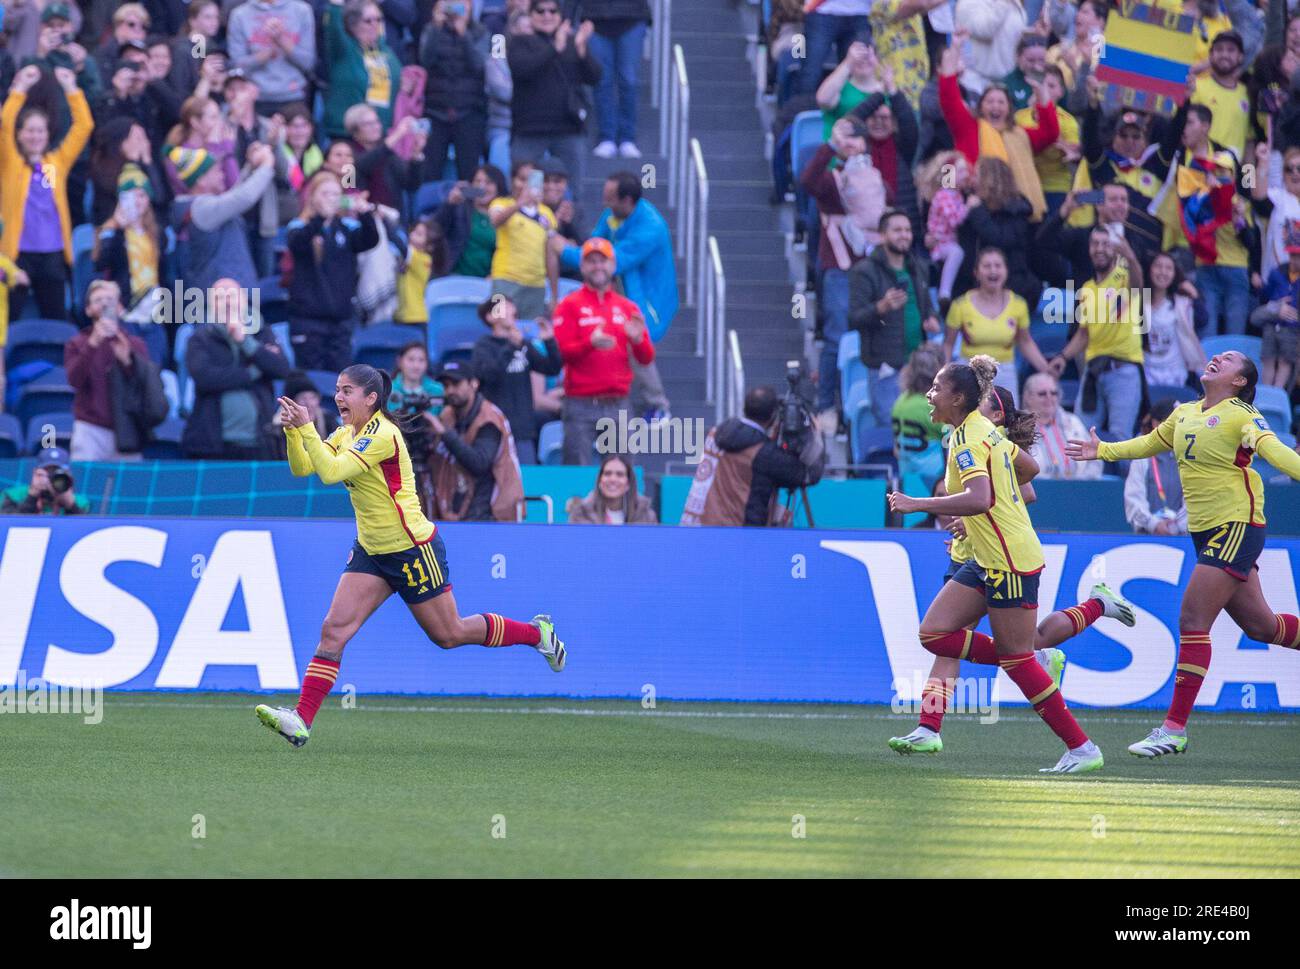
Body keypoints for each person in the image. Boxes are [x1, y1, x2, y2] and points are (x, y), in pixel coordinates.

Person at [257, 363, 566, 748]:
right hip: (372, 552)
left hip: (412, 550)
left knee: (449, 634)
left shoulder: (382, 435)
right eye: (337, 389)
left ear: (371, 399)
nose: (338, 397)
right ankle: (301, 719)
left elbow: (332, 472)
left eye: (347, 390)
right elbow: (304, 467)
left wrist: (306, 428)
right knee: (333, 631)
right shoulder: (344, 433)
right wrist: (292, 431)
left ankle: (537, 633)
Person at [1066, 351, 1300, 758]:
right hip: (1207, 532)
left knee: (1193, 618)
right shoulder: (1185, 413)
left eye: (1228, 360)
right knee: (1261, 627)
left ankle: (1173, 729)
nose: (1216, 358)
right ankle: (1173, 729)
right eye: (1217, 355)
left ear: (1240, 382)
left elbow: (1274, 450)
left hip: (1236, 526)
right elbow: (1149, 443)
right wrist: (1101, 451)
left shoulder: (1241, 414)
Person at [888, 380, 1136, 754]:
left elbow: (1012, 492)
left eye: (984, 402)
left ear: (993, 412)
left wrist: (949, 510)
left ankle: (1094, 607)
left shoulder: (982, 438)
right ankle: (928, 726)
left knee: (1017, 649)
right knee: (944, 641)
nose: (931, 393)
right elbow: (1000, 489)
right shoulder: (967, 435)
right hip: (972, 554)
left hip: (1001, 557)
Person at [559, 170, 676, 417]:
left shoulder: (650, 228)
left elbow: (613, 261)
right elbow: (595, 244)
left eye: (610, 198)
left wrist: (563, 251)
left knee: (636, 344)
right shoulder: (613, 215)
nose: (605, 203)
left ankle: (658, 405)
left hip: (649, 300)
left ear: (627, 201)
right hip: (620, 291)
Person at [1, 64, 94, 320]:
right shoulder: (10, 164)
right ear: (20, 135)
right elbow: (4, 126)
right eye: (29, 130)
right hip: (17, 254)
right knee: (9, 320)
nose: (35, 136)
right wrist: (19, 90)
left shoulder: (56, 163)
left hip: (52, 253)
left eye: (40, 130)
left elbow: (83, 127)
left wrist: (71, 89)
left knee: (57, 319)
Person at [552, 237, 654, 464]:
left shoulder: (628, 307)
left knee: (621, 476)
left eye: (603, 261)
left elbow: (646, 358)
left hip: (618, 404)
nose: (598, 266)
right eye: (592, 261)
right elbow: (559, 354)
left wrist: (638, 340)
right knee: (577, 475)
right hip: (579, 404)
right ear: (582, 267)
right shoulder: (569, 305)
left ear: (613, 265)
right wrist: (590, 343)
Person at [938, 38, 1057, 223]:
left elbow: (1050, 133)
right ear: (980, 106)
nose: (996, 106)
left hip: (1016, 211)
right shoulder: (968, 127)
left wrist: (1042, 93)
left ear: (1009, 108)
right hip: (977, 208)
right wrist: (955, 48)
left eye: (1001, 102)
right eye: (990, 101)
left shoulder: (1019, 134)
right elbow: (949, 98)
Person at [1051, 226, 1146, 440]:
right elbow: (1084, 333)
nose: (1100, 249)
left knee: (1120, 438)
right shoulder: (1086, 289)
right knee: (1078, 435)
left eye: (1106, 244)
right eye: (1095, 243)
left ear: (1115, 249)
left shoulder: (1124, 277)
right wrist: (1063, 357)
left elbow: (1139, 282)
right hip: (1093, 371)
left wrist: (1129, 254)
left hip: (1123, 370)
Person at [848, 209, 940, 427]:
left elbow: (927, 307)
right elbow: (853, 319)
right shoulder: (865, 270)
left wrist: (932, 319)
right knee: (892, 429)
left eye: (907, 230)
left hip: (919, 367)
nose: (904, 235)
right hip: (886, 367)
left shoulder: (917, 266)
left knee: (923, 427)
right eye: (897, 230)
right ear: (882, 235)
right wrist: (881, 307)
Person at [182, 277, 292, 460]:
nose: (226, 302)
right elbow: (206, 379)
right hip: (212, 445)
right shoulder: (199, 339)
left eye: (231, 296)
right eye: (219, 297)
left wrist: (245, 342)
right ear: (211, 305)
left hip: (260, 442)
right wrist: (254, 372)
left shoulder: (261, 332)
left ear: (242, 300)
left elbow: (281, 368)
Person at [284, 171, 380, 373]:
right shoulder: (298, 226)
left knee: (341, 382)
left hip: (341, 321)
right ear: (312, 197)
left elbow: (370, 240)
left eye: (335, 194)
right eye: (325, 194)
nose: (331, 199)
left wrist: (365, 214)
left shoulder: (346, 228)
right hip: (308, 321)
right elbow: (298, 244)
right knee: (313, 380)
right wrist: (320, 218)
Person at [679, 386, 813, 527]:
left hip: (695, 526)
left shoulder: (717, 431)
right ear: (773, 415)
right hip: (735, 537)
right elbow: (806, 474)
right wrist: (815, 432)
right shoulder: (762, 452)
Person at [506, 1, 601, 193]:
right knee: (524, 190)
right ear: (531, 15)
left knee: (574, 191)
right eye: (540, 11)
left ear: (560, 15)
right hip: (530, 130)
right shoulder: (519, 41)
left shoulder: (573, 42)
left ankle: (570, 223)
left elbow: (594, 78)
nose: (547, 15)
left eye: (552, 11)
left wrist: (582, 50)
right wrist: (554, 48)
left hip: (568, 127)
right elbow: (523, 69)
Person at [943, 246, 1052, 404]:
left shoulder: (1019, 304)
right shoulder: (960, 305)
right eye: (987, 266)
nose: (993, 270)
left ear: (1006, 271)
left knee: (1006, 426)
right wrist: (944, 378)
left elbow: (1025, 342)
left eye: (998, 266)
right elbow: (948, 344)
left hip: (1005, 373)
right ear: (976, 272)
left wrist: (1046, 370)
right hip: (969, 374)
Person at [169, 141, 276, 295]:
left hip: (229, 300)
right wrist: (267, 165)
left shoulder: (203, 206)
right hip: (223, 305)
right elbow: (243, 197)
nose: (222, 174)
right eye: (216, 171)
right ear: (200, 180)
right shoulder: (202, 208)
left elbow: (235, 195)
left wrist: (252, 167)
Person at [424, 359, 524, 522]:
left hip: (492, 508)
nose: (450, 391)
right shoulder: (448, 414)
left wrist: (445, 433)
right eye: (446, 385)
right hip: (461, 501)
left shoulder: (489, 418)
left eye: (456, 384)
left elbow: (479, 463)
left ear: (474, 383)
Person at [63, 282, 154, 462]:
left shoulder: (135, 344)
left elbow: (146, 386)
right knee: (85, 486)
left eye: (110, 299)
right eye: (98, 300)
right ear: (88, 310)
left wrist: (128, 361)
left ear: (119, 307)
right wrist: (92, 344)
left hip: (127, 429)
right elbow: (74, 380)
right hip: (90, 429)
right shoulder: (77, 343)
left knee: (128, 487)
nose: (104, 304)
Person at [471, 294, 562, 465]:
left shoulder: (523, 344)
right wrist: (511, 347)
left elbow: (551, 368)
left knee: (526, 484)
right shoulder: (484, 346)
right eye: (505, 306)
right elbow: (488, 374)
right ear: (490, 317)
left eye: (512, 306)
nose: (512, 309)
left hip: (523, 430)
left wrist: (549, 340)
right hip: (494, 430)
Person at [417, 0, 489, 181]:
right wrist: (435, 26)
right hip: (435, 111)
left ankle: (468, 209)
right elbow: (425, 60)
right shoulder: (431, 29)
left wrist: (463, 33)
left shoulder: (481, 31)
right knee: (430, 172)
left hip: (469, 112)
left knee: (469, 173)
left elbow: (479, 66)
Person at [489, 159, 560, 320]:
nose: (526, 185)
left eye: (532, 181)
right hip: (503, 281)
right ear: (513, 180)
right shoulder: (501, 203)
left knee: (531, 332)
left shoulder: (547, 214)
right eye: (522, 179)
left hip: (536, 286)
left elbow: (551, 256)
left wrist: (555, 295)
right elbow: (496, 220)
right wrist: (520, 202)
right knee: (498, 323)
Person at [323, 0, 402, 142]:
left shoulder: (385, 50)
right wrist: (336, 5)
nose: (375, 25)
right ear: (353, 25)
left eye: (378, 20)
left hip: (379, 134)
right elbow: (334, 23)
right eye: (368, 21)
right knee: (349, 166)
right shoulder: (343, 50)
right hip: (347, 136)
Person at [584, 0, 651, 160]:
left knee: (629, 80)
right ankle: (607, 136)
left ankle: (627, 137)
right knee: (601, 80)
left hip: (632, 17)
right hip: (594, 18)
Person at [225, 0, 315, 116]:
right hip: (255, 98)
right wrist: (265, 55)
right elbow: (237, 65)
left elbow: (308, 63)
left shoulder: (302, 11)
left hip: (293, 95)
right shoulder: (239, 15)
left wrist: (282, 41)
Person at [1124, 399, 1188, 536]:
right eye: (1171, 422)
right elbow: (1133, 498)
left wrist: (1177, 526)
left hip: (1184, 538)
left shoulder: (1191, 456)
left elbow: (1196, 499)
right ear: (1156, 424)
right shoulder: (1141, 457)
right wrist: (1153, 524)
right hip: (1146, 537)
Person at [1145, 251, 1207, 389]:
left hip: (1176, 376)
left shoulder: (1182, 304)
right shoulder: (1139, 301)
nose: (1162, 272)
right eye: (1158, 266)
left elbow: (1203, 320)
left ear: (1175, 274)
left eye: (1168, 268)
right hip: (1146, 374)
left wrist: (1193, 293)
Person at [1022, 371, 1100, 480]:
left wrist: (1084, 482)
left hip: (1079, 488)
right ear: (1028, 397)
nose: (1049, 398)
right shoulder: (1019, 428)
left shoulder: (1073, 422)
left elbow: (1094, 458)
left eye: (1053, 393)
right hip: (1040, 489)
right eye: (1042, 394)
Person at [891, 343, 947, 492]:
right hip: (935, 481)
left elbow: (895, 450)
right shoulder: (934, 407)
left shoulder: (900, 402)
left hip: (907, 479)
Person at [1190, 29, 1249, 161]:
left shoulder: (1247, 94)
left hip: (1232, 175)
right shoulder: (1197, 87)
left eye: (1231, 50)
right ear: (1210, 56)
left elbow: (1249, 142)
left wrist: (1247, 181)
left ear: (1241, 57)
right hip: (1198, 172)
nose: (1224, 54)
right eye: (1219, 49)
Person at [437, 164, 505, 278]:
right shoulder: (459, 207)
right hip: (453, 276)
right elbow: (436, 230)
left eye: (488, 182)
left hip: (488, 281)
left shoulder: (505, 216)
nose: (482, 187)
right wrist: (449, 204)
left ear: (498, 187)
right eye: (477, 181)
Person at [796, 0, 873, 96]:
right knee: (810, 72)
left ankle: (853, 110)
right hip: (821, 9)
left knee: (859, 72)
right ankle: (804, 108)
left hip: (861, 12)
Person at [566, 453, 657, 524]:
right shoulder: (581, 513)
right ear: (599, 481)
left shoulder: (646, 516)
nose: (613, 479)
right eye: (607, 473)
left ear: (628, 483)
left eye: (620, 474)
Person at [1, 448, 89, 514]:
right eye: (48, 472)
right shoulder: (13, 495)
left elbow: (85, 533)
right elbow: (8, 527)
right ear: (35, 473)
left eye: (57, 473)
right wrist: (32, 496)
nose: (52, 479)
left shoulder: (79, 502)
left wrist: (71, 505)